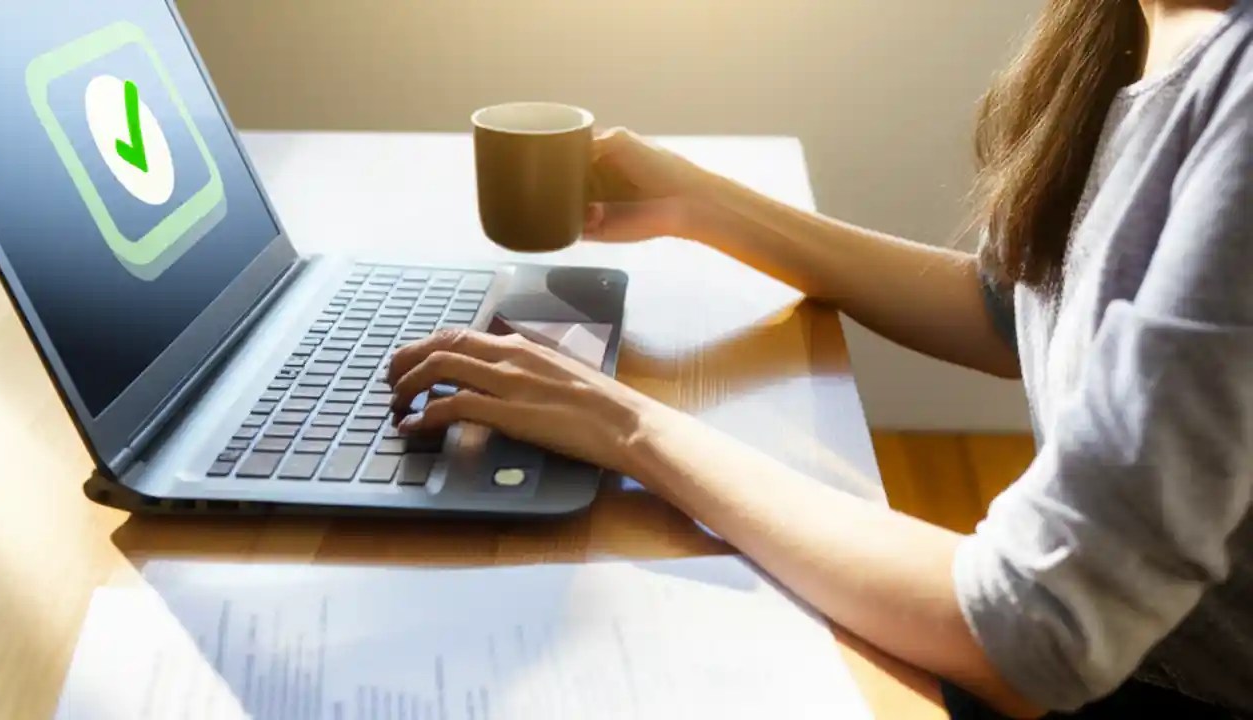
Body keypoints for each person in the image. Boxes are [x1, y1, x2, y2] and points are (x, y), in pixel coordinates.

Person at [388, 0, 1253, 716]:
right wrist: (703, 205)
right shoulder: (1134, 22)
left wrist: (628, 424)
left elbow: (1033, 628)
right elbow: (1019, 312)